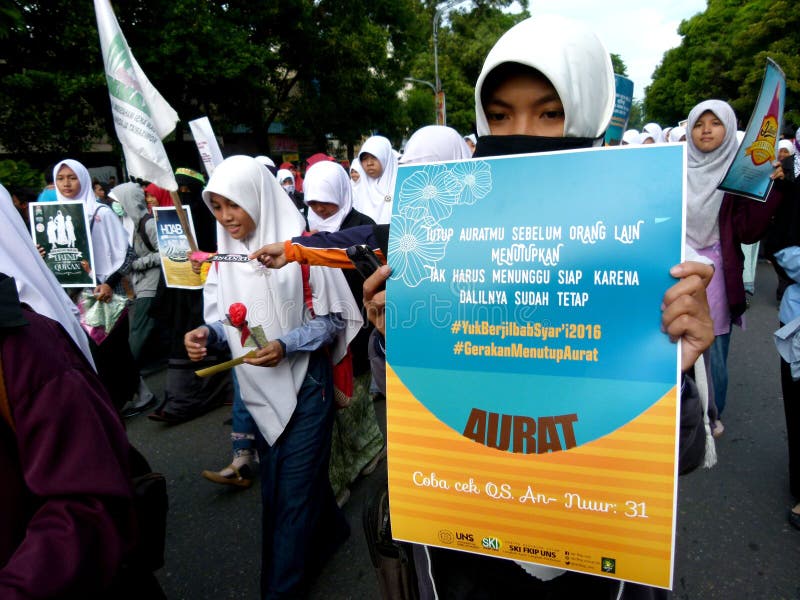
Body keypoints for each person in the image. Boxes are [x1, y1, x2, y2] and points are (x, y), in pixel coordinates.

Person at [184, 155, 361, 597]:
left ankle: (280, 589)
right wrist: (205, 335)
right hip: (258, 392)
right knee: (290, 478)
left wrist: (286, 344)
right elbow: (224, 324)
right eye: (217, 207)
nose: (226, 217)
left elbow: (334, 319)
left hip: (308, 386)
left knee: (286, 496)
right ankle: (332, 530)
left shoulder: (302, 247)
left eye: (234, 205)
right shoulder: (223, 260)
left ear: (258, 198)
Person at [685, 100, 784, 434]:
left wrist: (765, 187)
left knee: (714, 351)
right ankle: (679, 411)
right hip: (677, 264)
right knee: (673, 342)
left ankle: (712, 413)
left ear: (729, 129)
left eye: (716, 123)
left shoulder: (737, 173)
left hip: (716, 271)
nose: (707, 130)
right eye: (699, 123)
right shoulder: (673, 168)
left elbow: (748, 231)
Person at [302, 160, 385, 507]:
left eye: (326, 202)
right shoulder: (306, 228)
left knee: (356, 395)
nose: (319, 209)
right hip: (325, 320)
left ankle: (369, 448)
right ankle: (357, 454)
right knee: (340, 401)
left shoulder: (361, 227)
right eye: (313, 202)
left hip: (363, 319)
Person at [148, 167, 234, 425]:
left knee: (216, 340)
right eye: (179, 191)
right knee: (187, 344)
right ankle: (179, 400)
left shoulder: (217, 221)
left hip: (211, 289)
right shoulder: (167, 218)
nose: (185, 198)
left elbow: (229, 253)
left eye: (189, 191)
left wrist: (208, 261)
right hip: (181, 293)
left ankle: (222, 394)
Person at [54, 159, 139, 411]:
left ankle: (120, 403)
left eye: (72, 177)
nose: (67, 183)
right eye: (61, 178)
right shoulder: (53, 217)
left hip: (106, 297)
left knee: (110, 353)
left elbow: (128, 254)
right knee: (88, 355)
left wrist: (110, 283)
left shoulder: (101, 213)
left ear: (83, 179)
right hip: (75, 299)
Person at [352, 135, 398, 224]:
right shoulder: (357, 190)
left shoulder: (402, 188)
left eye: (374, 157)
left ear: (386, 157)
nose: (369, 163)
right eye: (364, 159)